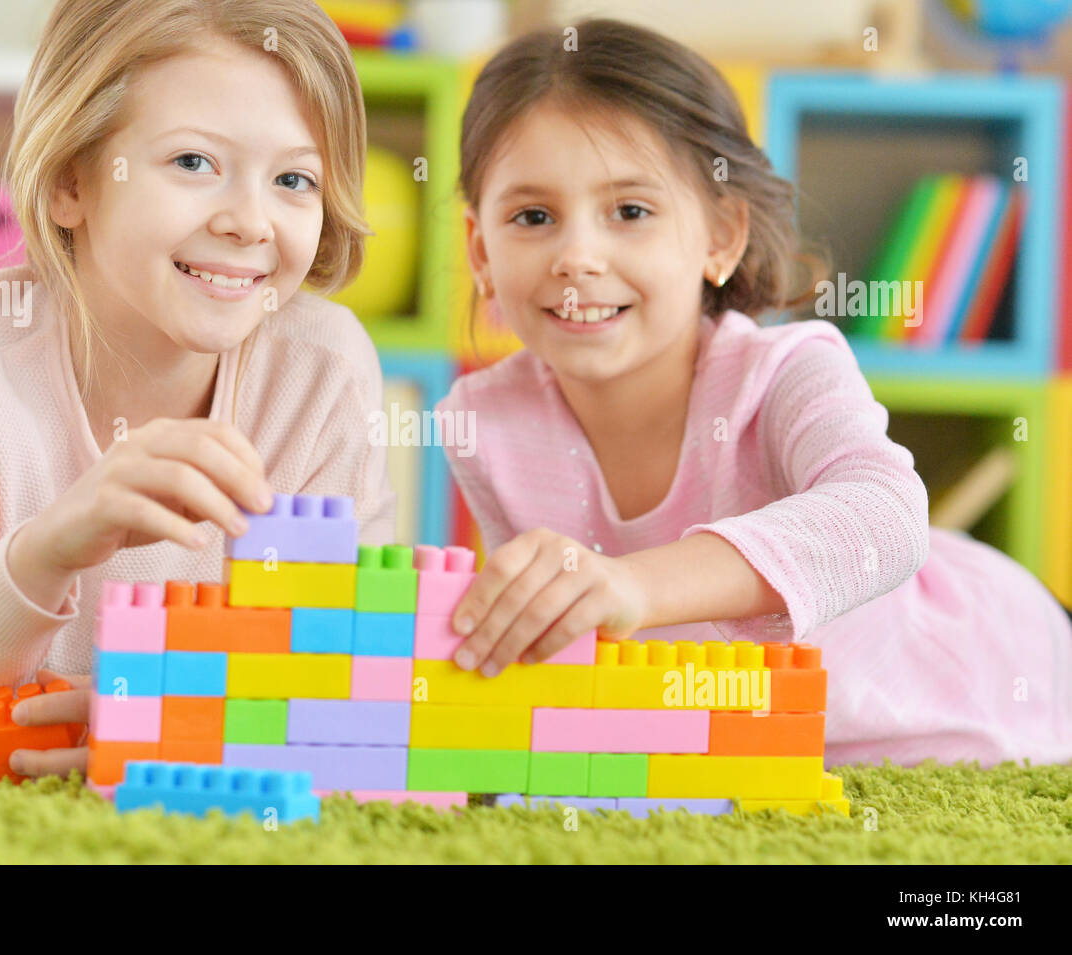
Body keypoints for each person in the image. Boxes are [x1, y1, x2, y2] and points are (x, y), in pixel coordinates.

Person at [0, 0, 396, 779]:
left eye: (294, 178)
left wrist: (167, 717)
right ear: (71, 180)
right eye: (195, 163)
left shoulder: (325, 370)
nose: (250, 221)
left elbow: (348, 686)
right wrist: (50, 545)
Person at [436, 18, 1071, 768]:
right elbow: (553, 656)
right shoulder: (482, 422)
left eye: (631, 212)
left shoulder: (784, 370)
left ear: (721, 236)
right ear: (482, 251)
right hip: (735, 737)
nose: (577, 256)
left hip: (962, 680)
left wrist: (632, 583)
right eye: (532, 217)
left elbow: (886, 516)